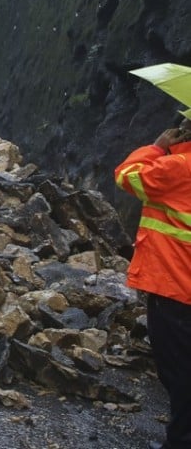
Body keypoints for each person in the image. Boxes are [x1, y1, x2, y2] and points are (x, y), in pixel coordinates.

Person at [115, 119, 191, 449]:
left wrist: (158, 145)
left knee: (178, 371)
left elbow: (127, 176)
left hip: (173, 283)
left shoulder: (176, 167)